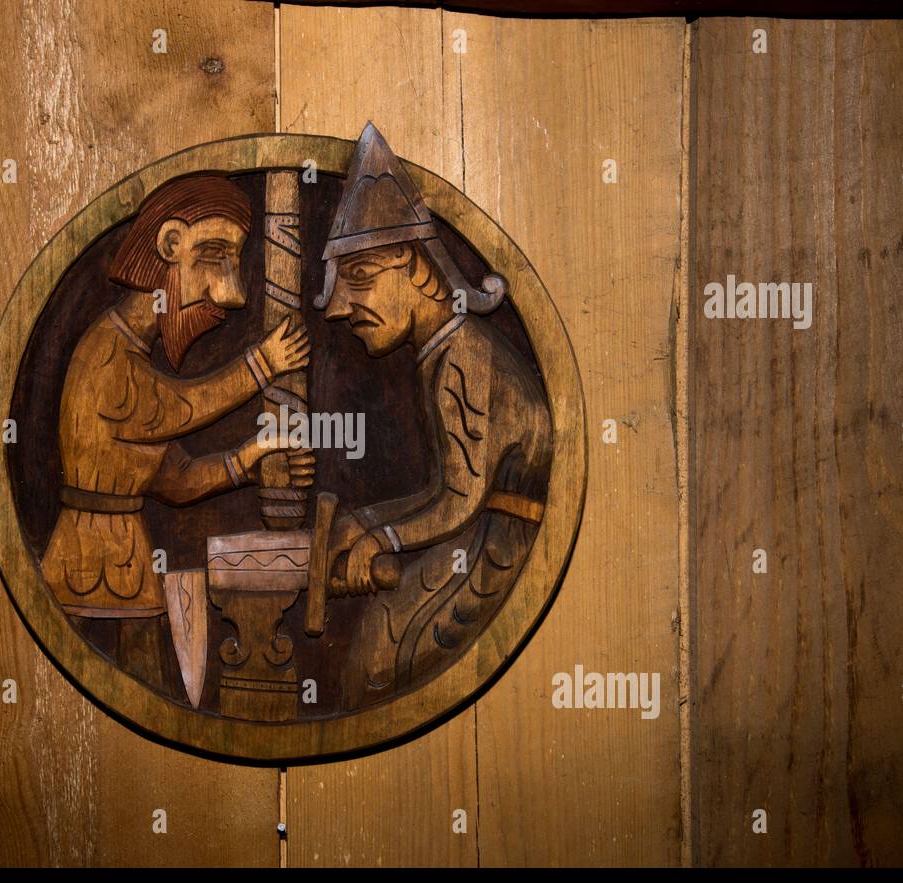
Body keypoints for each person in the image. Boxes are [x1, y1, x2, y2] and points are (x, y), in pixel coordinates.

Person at [41, 172, 312, 696]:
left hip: (131, 565)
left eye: (233, 262)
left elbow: (177, 480)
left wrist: (249, 457)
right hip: (84, 567)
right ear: (169, 245)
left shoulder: (132, 357)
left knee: (145, 690)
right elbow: (175, 408)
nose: (231, 296)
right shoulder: (106, 355)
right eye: (214, 256)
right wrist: (261, 364)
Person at [315, 124, 552, 707]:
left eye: (361, 279)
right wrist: (363, 523)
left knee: (377, 651)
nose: (342, 308)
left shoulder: (466, 356)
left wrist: (381, 537)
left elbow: (463, 499)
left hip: (495, 550)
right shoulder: (443, 351)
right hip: (473, 537)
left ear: (414, 265)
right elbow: (446, 487)